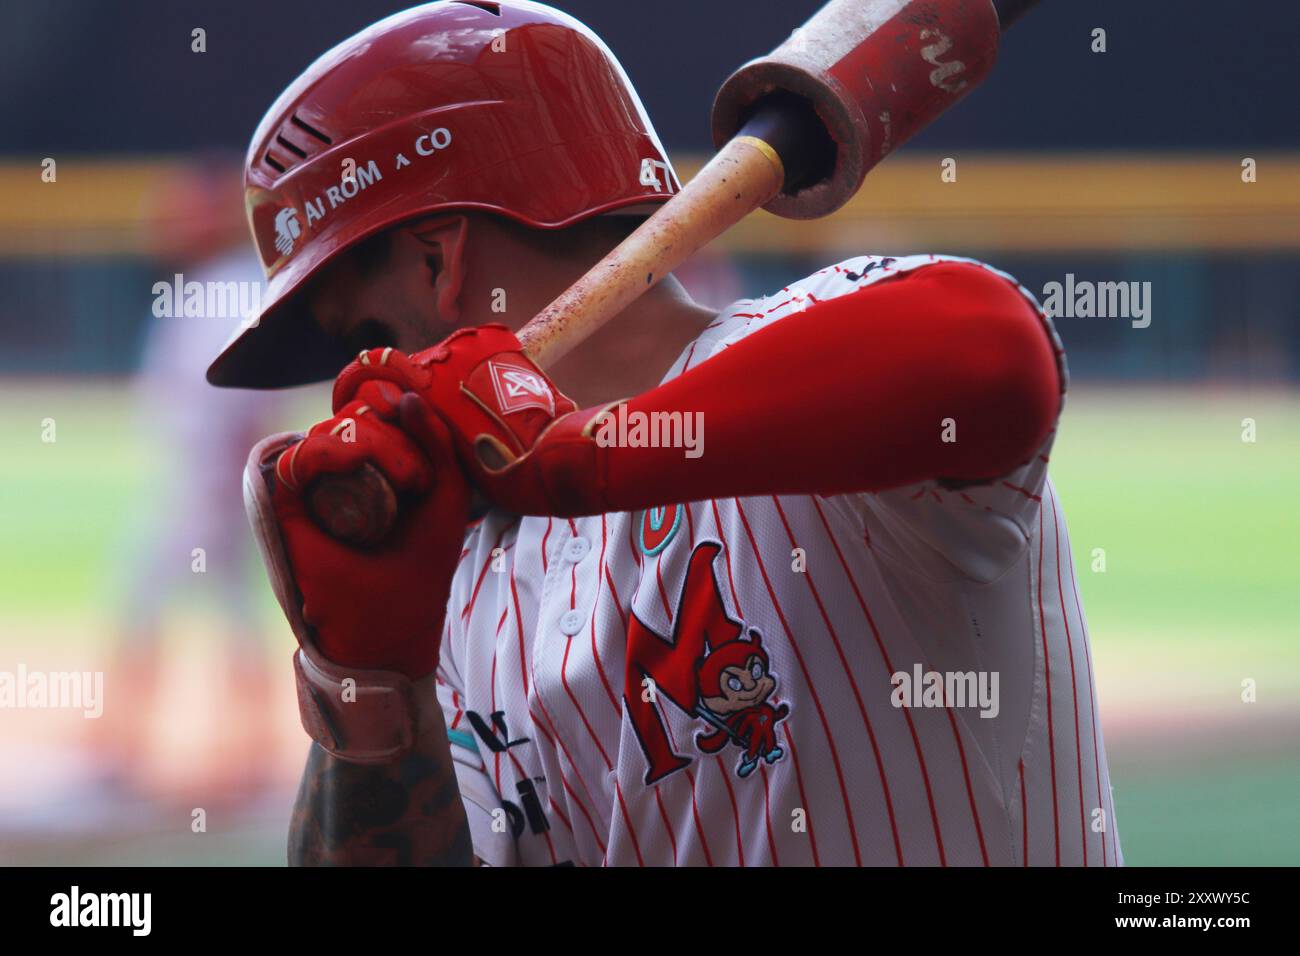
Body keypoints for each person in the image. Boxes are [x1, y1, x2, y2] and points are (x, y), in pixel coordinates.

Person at [210, 0, 1121, 866]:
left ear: (439, 262)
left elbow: (991, 353)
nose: (358, 391)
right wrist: (370, 684)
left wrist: (575, 455)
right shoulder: (452, 585)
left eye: (362, 335)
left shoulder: (812, 342)